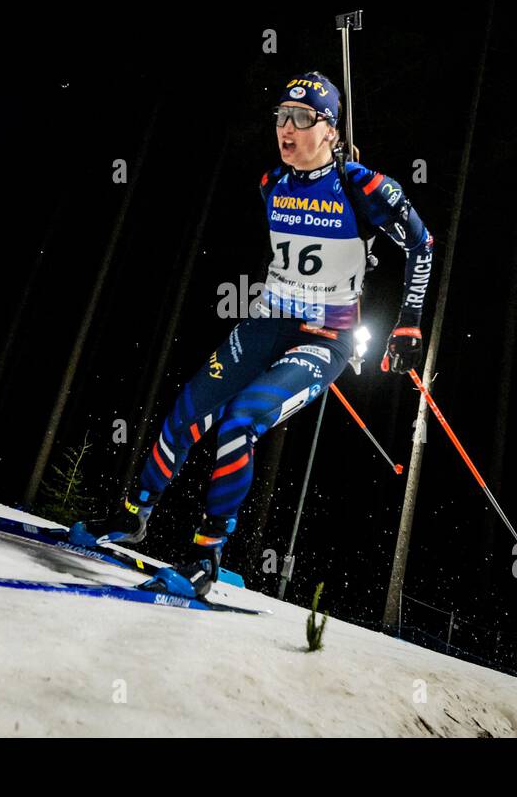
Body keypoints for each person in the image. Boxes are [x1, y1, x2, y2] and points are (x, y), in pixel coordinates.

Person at [70, 70, 435, 598]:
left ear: (331, 128)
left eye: (302, 118)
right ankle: (131, 517)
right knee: (187, 412)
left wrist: (407, 323)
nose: (286, 128)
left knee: (239, 422)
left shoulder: (366, 187)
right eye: (281, 117)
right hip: (268, 320)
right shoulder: (271, 184)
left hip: (324, 337)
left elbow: (422, 247)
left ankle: (205, 557)